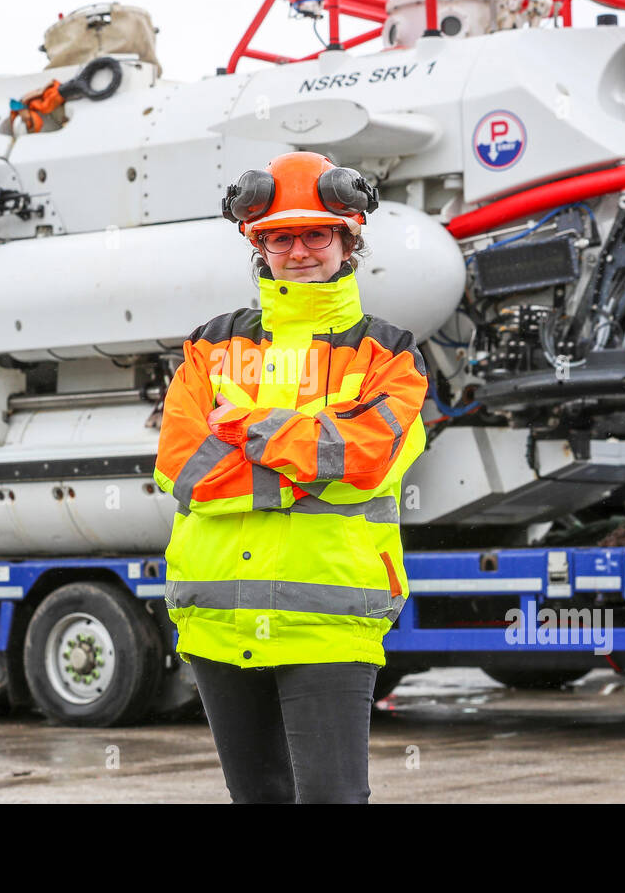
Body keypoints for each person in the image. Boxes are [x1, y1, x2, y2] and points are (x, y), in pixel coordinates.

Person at [153, 151, 428, 803]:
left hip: (330, 620)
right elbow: (183, 470)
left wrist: (249, 426)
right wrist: (309, 461)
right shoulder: (209, 345)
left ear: (347, 240)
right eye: (281, 236)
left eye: (316, 234)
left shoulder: (389, 353)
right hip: (218, 621)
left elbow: (364, 458)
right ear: (260, 247)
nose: (299, 250)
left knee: (333, 798)